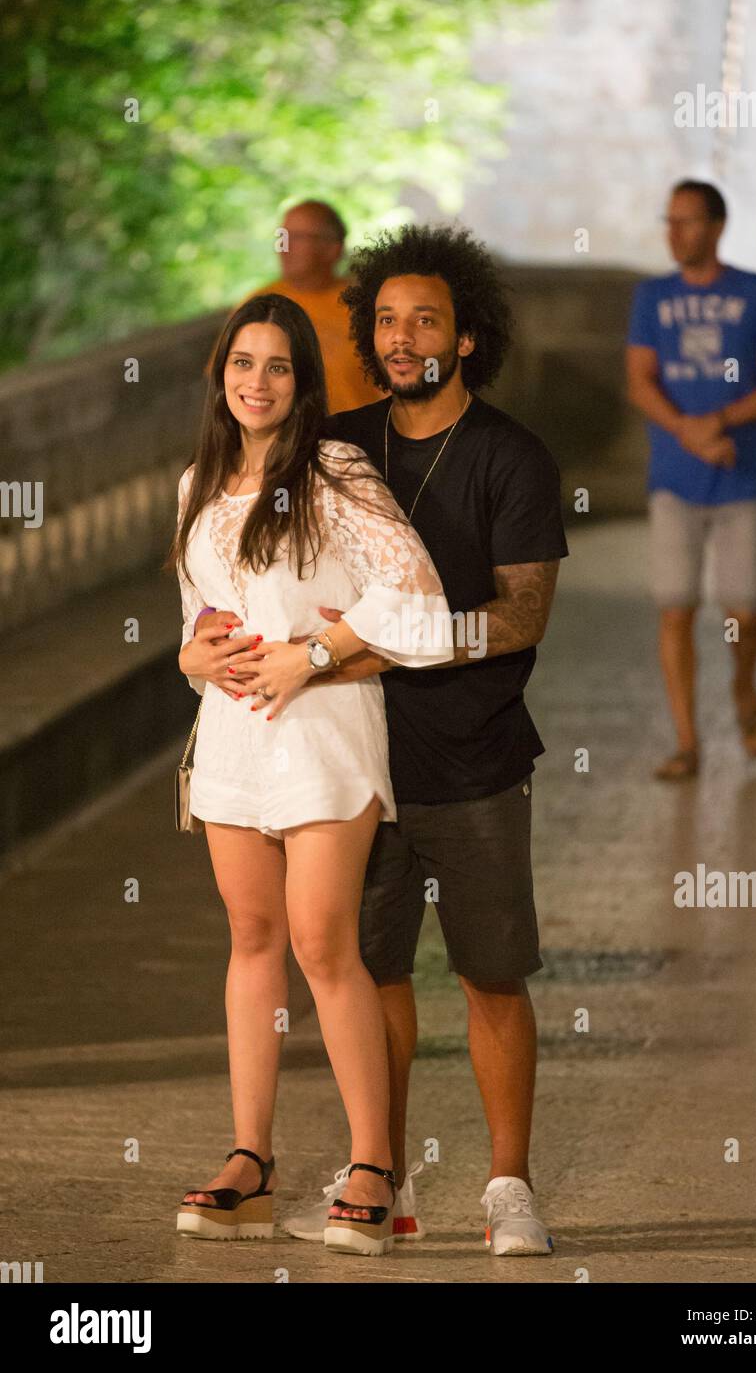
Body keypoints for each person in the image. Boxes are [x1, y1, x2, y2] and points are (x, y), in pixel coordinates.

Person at [198, 224, 568, 1255]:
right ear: (364, 333)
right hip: (352, 761)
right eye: (387, 320)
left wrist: (362, 653)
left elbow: (522, 613)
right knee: (371, 968)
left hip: (474, 756)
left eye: (427, 320)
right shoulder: (334, 447)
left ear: (468, 336)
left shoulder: (509, 456)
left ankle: (506, 1185)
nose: (403, 337)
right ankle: (384, 1175)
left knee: (490, 973)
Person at [167, 291, 454, 1257]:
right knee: (252, 940)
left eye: (279, 367)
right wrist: (192, 657)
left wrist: (314, 656)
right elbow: (195, 620)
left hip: (323, 730)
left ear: (304, 381)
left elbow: (413, 589)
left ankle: (374, 1164)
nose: (257, 382)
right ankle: (251, 1163)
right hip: (236, 738)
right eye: (243, 364)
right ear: (221, 375)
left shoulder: (333, 469)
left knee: (324, 945)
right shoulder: (196, 485)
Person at [626, 179, 756, 779]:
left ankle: (745, 689)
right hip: (675, 479)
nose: (675, 233)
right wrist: (688, 430)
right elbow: (640, 380)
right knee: (675, 608)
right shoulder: (652, 297)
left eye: (688, 221)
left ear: (718, 227)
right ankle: (686, 742)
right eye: (669, 220)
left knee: (743, 611)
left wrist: (719, 420)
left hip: (741, 476)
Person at [206, 200, 383, 413]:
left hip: (357, 440)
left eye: (297, 238)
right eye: (282, 236)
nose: (284, 247)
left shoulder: (369, 307)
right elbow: (222, 386)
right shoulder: (259, 304)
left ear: (332, 249)